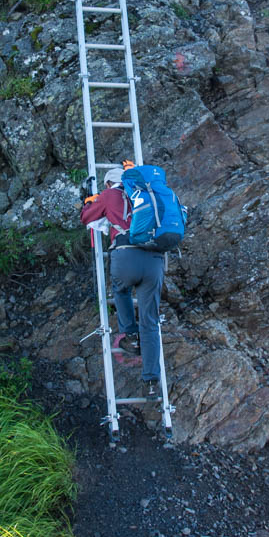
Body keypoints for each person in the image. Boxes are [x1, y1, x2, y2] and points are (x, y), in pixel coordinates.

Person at [80, 164, 165, 394]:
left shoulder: (109, 194)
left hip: (126, 256)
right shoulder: (147, 193)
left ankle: (130, 334)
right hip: (154, 260)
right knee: (150, 320)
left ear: (108, 183)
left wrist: (88, 200)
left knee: (121, 291)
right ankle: (151, 378)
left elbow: (87, 217)